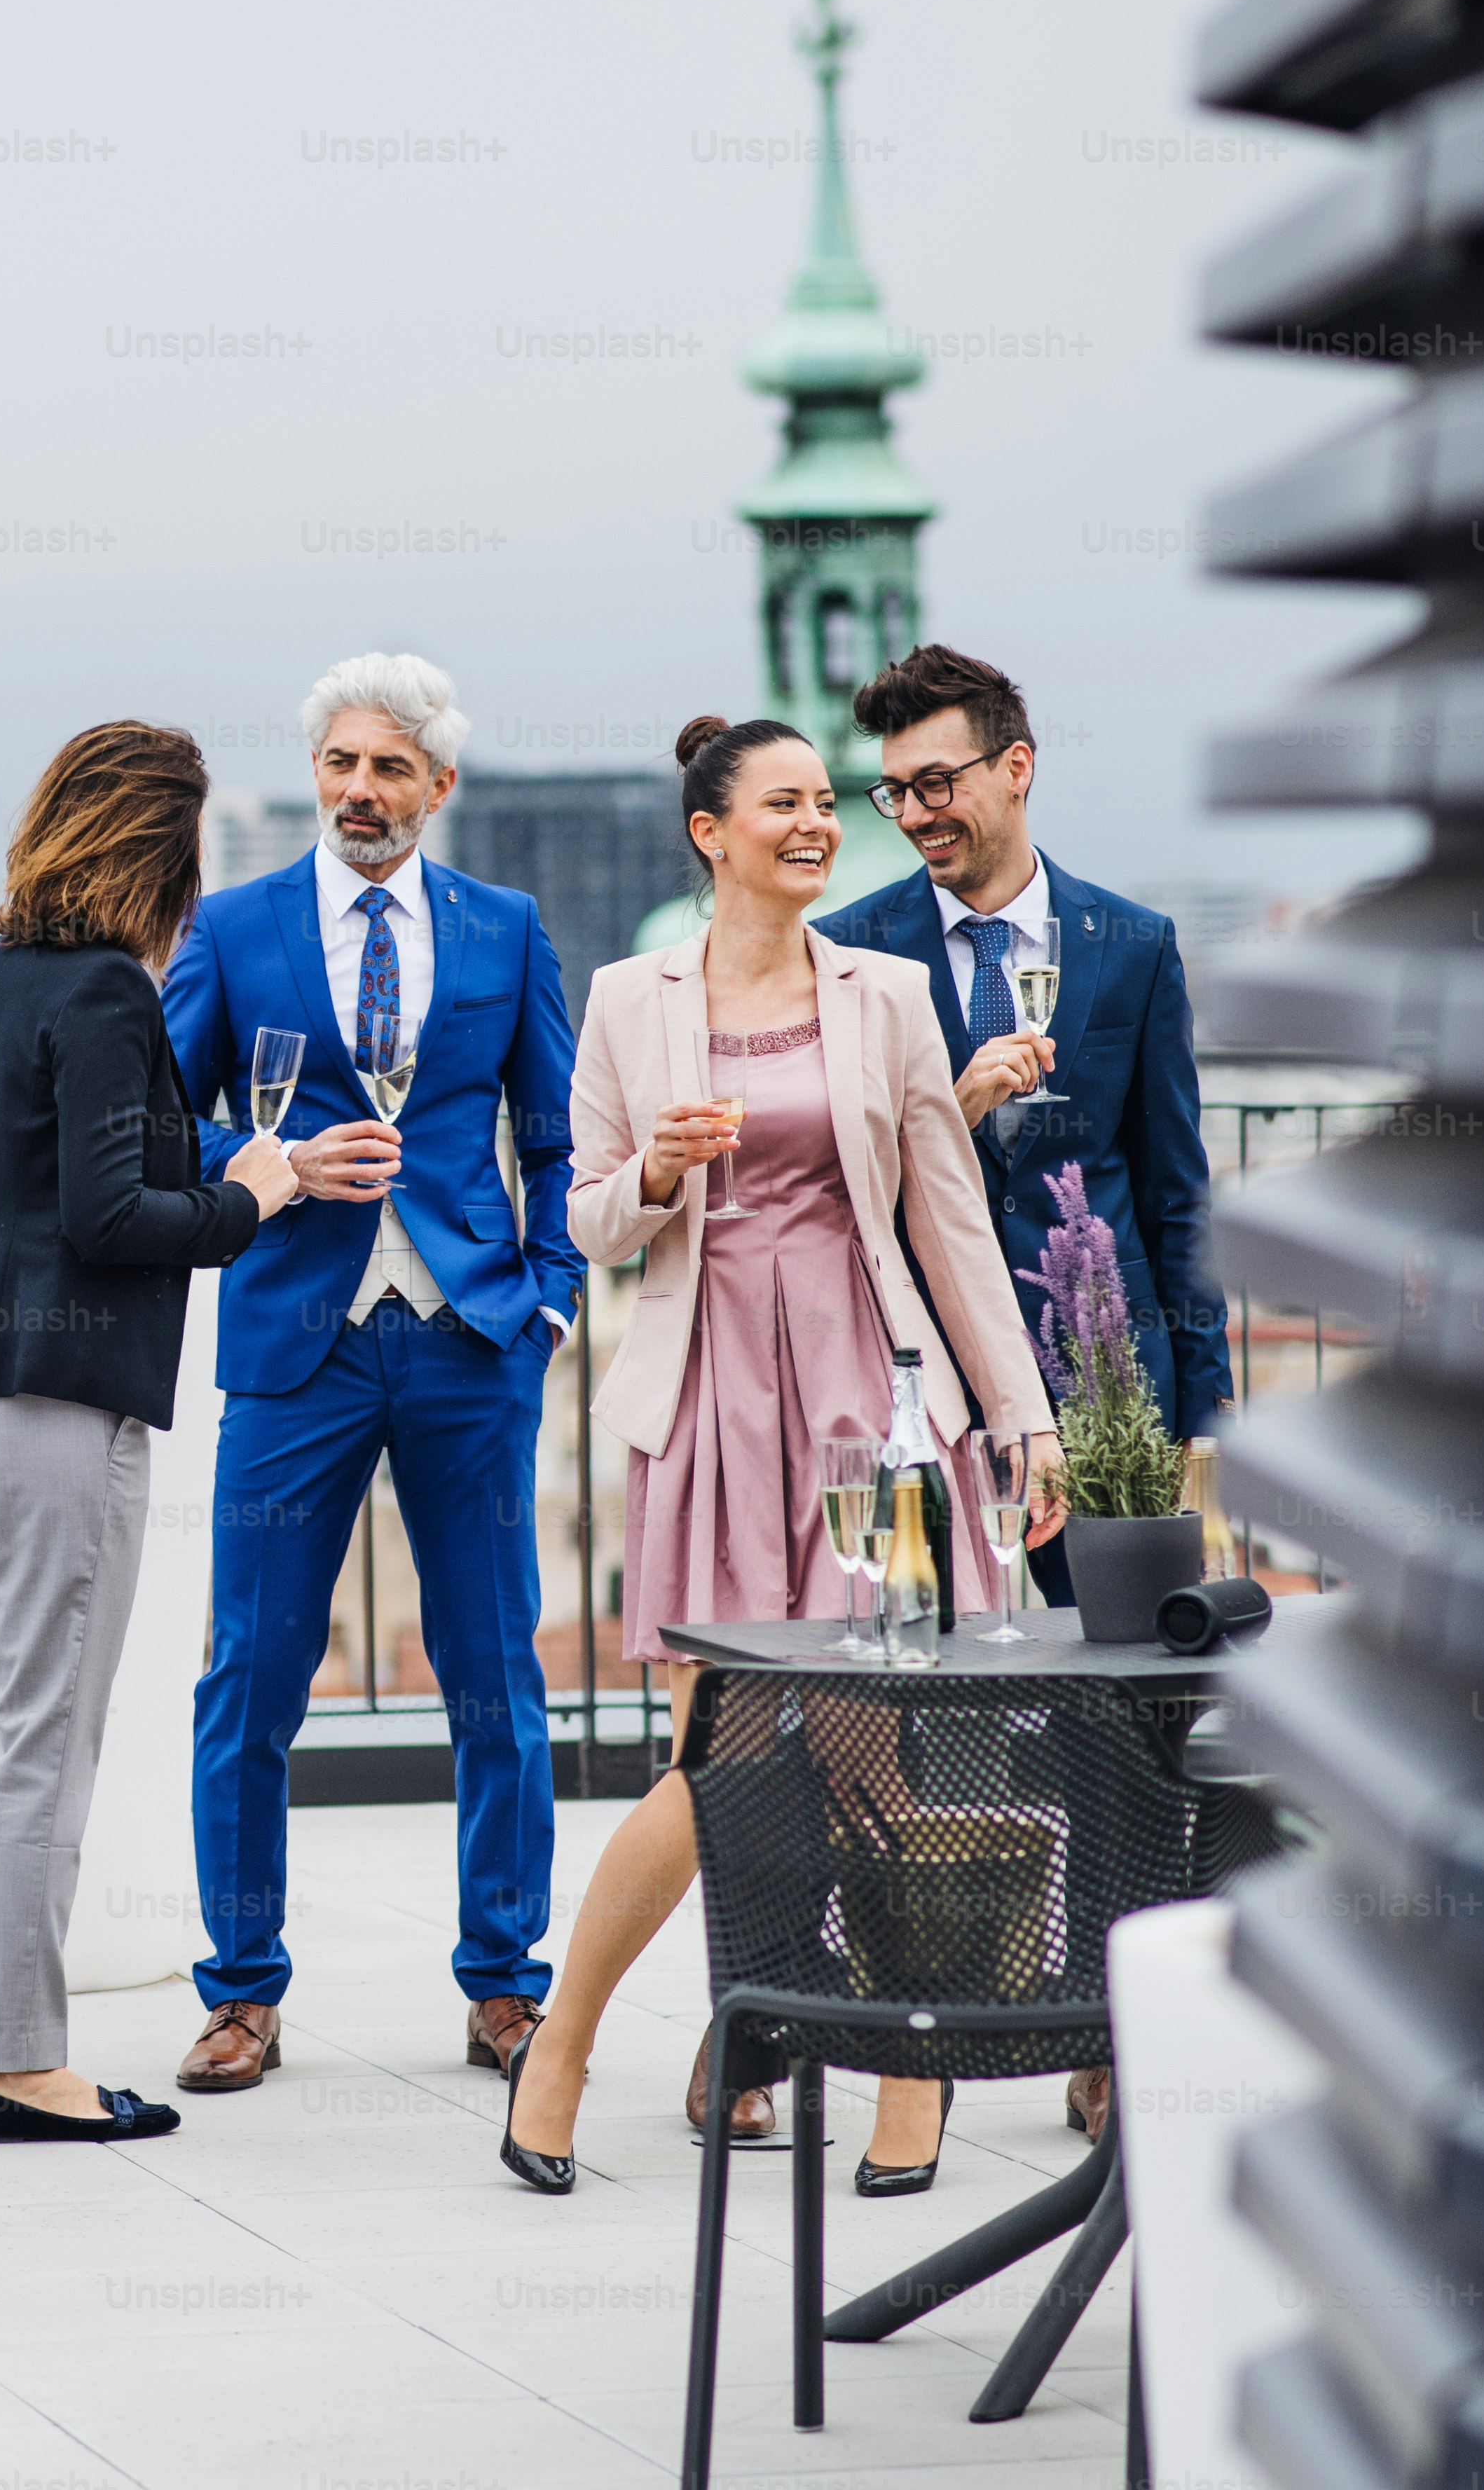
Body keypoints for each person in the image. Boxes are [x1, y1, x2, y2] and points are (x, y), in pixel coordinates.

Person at [495, 713, 1061, 2203]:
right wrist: (661, 1170)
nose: (819, 823)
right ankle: (566, 2044)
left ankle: (908, 2077)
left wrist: (1024, 1417)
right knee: (722, 1758)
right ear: (712, 828)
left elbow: (949, 1220)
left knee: (889, 1740)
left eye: (831, 800)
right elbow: (587, 1219)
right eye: (787, 803)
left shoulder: (886, 997)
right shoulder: (626, 994)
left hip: (876, 1405)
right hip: (710, 1407)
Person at [809, 642, 1223, 2148]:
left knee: (1115, 1721)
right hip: (922, 1390)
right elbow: (848, 1189)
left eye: (938, 779)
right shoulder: (848, 951)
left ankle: (1113, 2024)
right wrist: (958, 1105)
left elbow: (1176, 1195)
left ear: (1016, 766)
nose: (913, 808)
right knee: (903, 1704)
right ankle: (910, 2042)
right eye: (893, 786)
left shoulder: (1131, 941)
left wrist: (1200, 1411)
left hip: (1105, 1397)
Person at [156, 652, 583, 2095]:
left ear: (438, 787)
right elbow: (164, 1123)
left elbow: (556, 1133)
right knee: (249, 1676)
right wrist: (266, 1162)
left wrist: (552, 1300)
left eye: (390, 767)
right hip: (297, 1342)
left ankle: (507, 1982)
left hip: (471, 1340)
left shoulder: (508, 929)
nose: (360, 789)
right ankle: (241, 1991)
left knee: (494, 1677)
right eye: (341, 763)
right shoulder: (237, 925)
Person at [0, 721, 294, 2142]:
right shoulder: (114, 995)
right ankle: (20, 2065)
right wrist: (258, 1190)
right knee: (46, 1737)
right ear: (165, 852)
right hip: (56, 1402)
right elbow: (112, 1218)